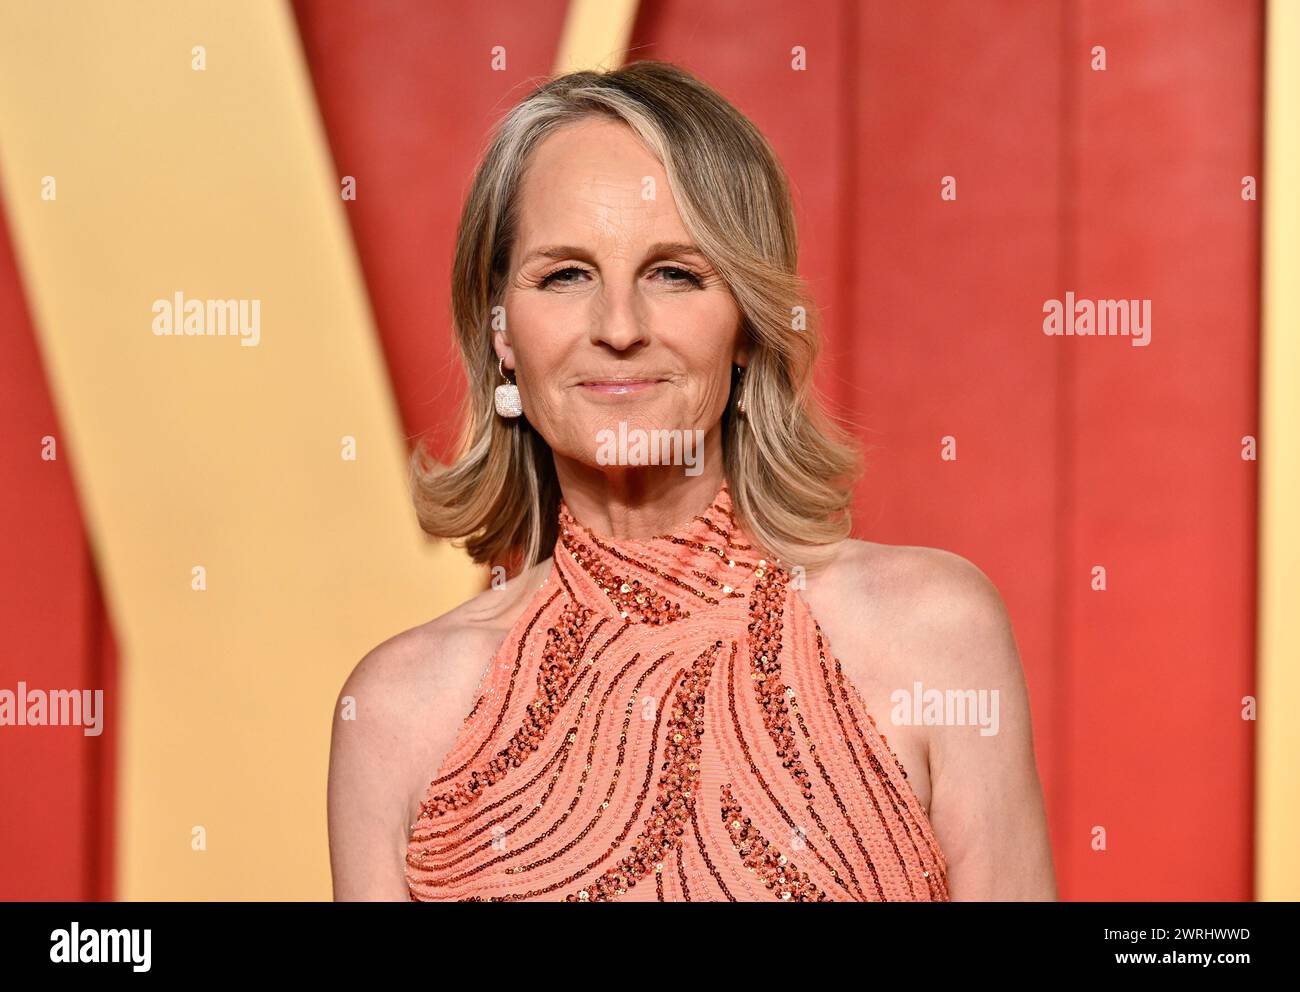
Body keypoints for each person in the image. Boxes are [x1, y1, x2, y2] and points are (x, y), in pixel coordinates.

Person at [327, 60, 1056, 901]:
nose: (620, 328)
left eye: (674, 272)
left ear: (746, 324)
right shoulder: (395, 713)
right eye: (565, 275)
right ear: (501, 334)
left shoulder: (934, 632)